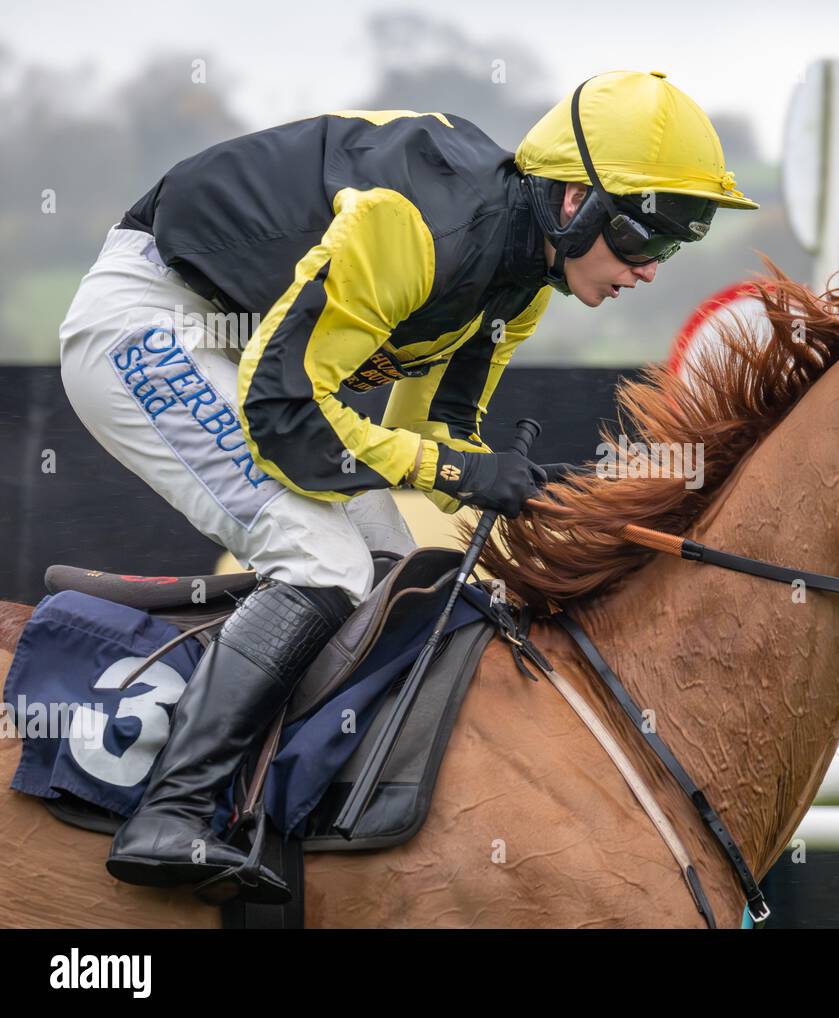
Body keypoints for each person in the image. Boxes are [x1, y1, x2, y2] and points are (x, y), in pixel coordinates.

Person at [57, 69, 757, 903]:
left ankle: (287, 810)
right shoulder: (417, 230)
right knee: (320, 559)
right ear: (576, 201)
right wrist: (462, 471)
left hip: (240, 355)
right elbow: (288, 417)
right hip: (146, 318)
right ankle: (169, 811)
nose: (650, 270)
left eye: (674, 248)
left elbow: (433, 437)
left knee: (391, 564)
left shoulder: (522, 285)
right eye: (646, 240)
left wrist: (546, 494)